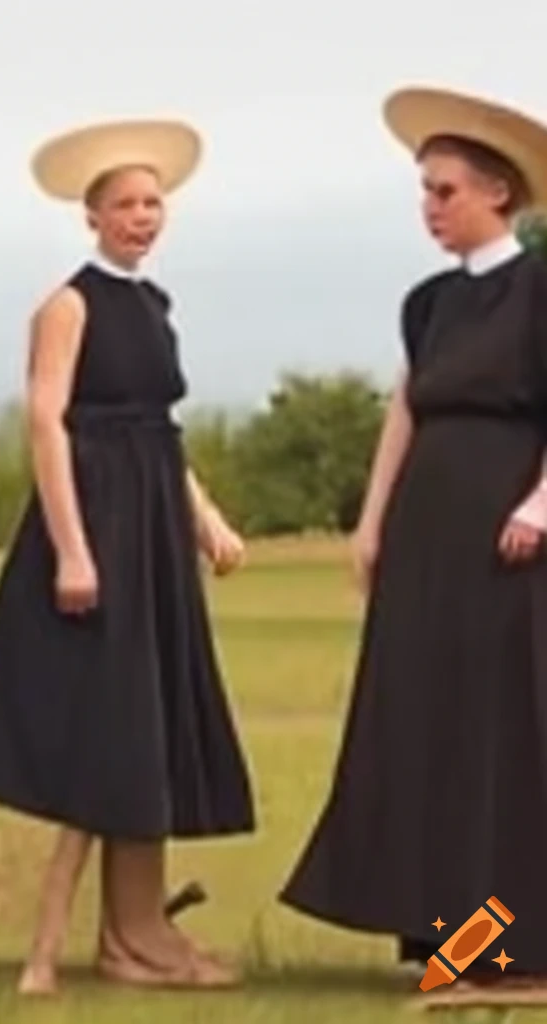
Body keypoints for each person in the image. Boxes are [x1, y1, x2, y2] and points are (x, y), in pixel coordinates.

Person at [0, 119, 255, 995]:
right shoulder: (66, 306)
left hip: (153, 526)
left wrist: (207, 522)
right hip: (98, 525)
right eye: (125, 204)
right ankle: (128, 942)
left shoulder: (153, 306)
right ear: (92, 216)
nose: (143, 217)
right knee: (109, 727)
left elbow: (159, 431)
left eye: (155, 203)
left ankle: (140, 936)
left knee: (149, 725)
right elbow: (46, 424)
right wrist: (73, 550)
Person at [279, 86, 547, 1007]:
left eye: (444, 191)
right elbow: (407, 406)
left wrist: (544, 503)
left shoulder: (540, 287)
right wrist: (371, 519)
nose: (429, 208)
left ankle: (514, 945)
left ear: (498, 194)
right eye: (424, 192)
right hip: (428, 541)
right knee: (430, 730)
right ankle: (455, 940)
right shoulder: (427, 302)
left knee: (504, 736)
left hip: (510, 537)